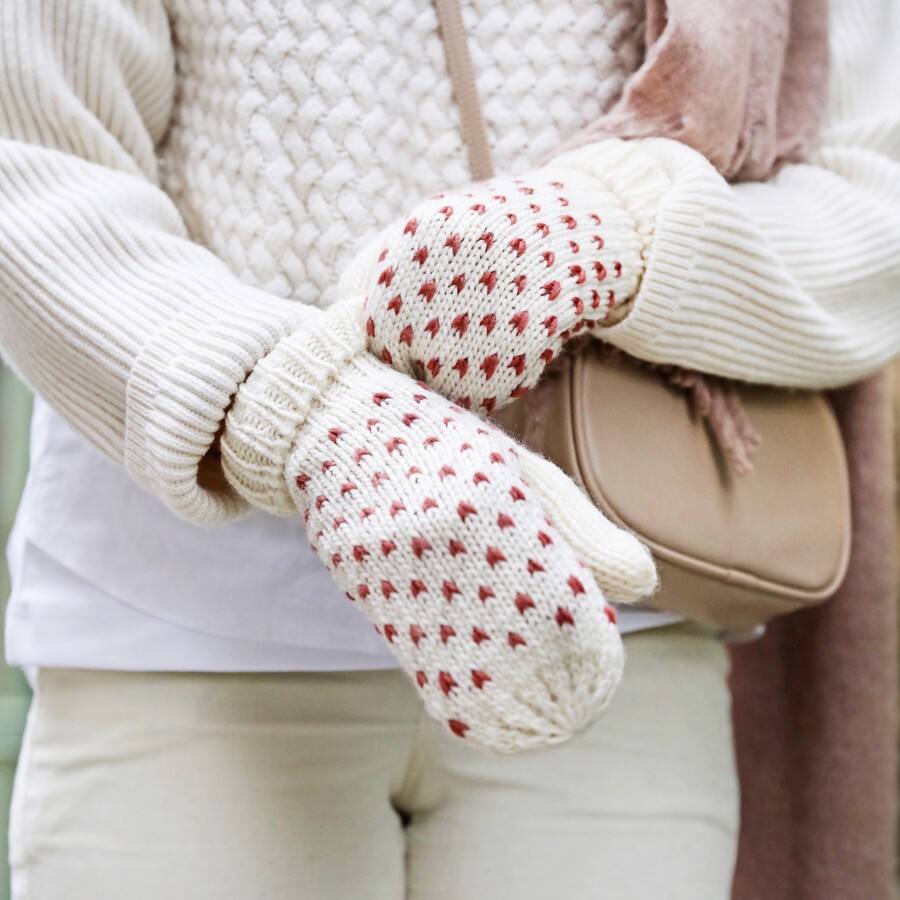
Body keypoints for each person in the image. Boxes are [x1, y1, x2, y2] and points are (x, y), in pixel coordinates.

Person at [1, 0, 898, 897]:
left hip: (604, 645)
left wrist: (616, 231)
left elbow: (875, 189)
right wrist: (299, 410)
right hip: (187, 648)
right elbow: (35, 166)